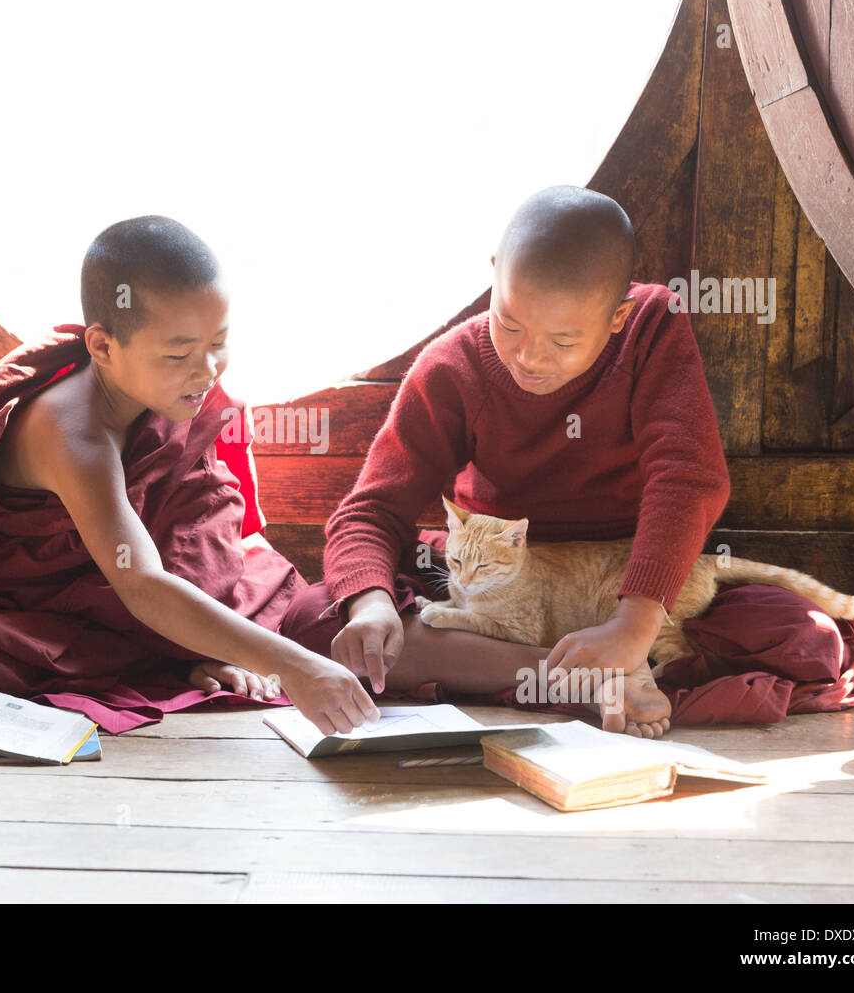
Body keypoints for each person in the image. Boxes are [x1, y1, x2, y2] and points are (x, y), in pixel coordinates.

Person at [0, 215, 380, 736]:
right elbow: (142, 584)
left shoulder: (179, 393)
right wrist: (293, 666)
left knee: (288, 600)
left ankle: (191, 647)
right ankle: (179, 661)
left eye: (218, 341)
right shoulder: (72, 436)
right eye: (179, 353)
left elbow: (222, 523)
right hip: (44, 608)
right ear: (103, 347)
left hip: (131, 590)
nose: (208, 369)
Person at [281, 185, 734, 738]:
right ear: (494, 276)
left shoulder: (651, 327)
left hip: (621, 576)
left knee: (799, 634)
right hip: (491, 578)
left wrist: (634, 621)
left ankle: (615, 655)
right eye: (510, 324)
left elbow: (688, 476)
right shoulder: (454, 366)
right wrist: (371, 604)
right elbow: (371, 511)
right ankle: (583, 677)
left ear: (617, 317)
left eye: (564, 341)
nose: (529, 358)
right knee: (314, 623)